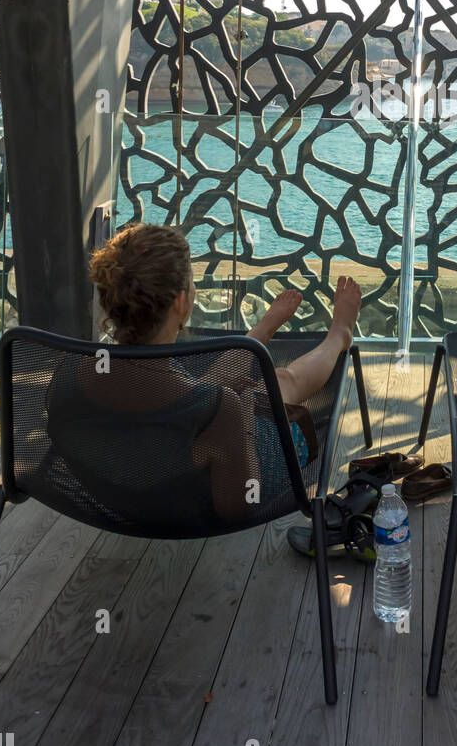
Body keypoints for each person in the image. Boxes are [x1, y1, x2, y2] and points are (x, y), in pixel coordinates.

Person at [46, 223, 361, 525]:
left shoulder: (73, 371)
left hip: (127, 489)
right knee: (279, 383)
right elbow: (240, 507)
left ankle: (259, 333)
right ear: (181, 302)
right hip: (197, 493)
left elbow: (169, 404)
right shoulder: (223, 409)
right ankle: (339, 333)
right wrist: (246, 416)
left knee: (210, 395)